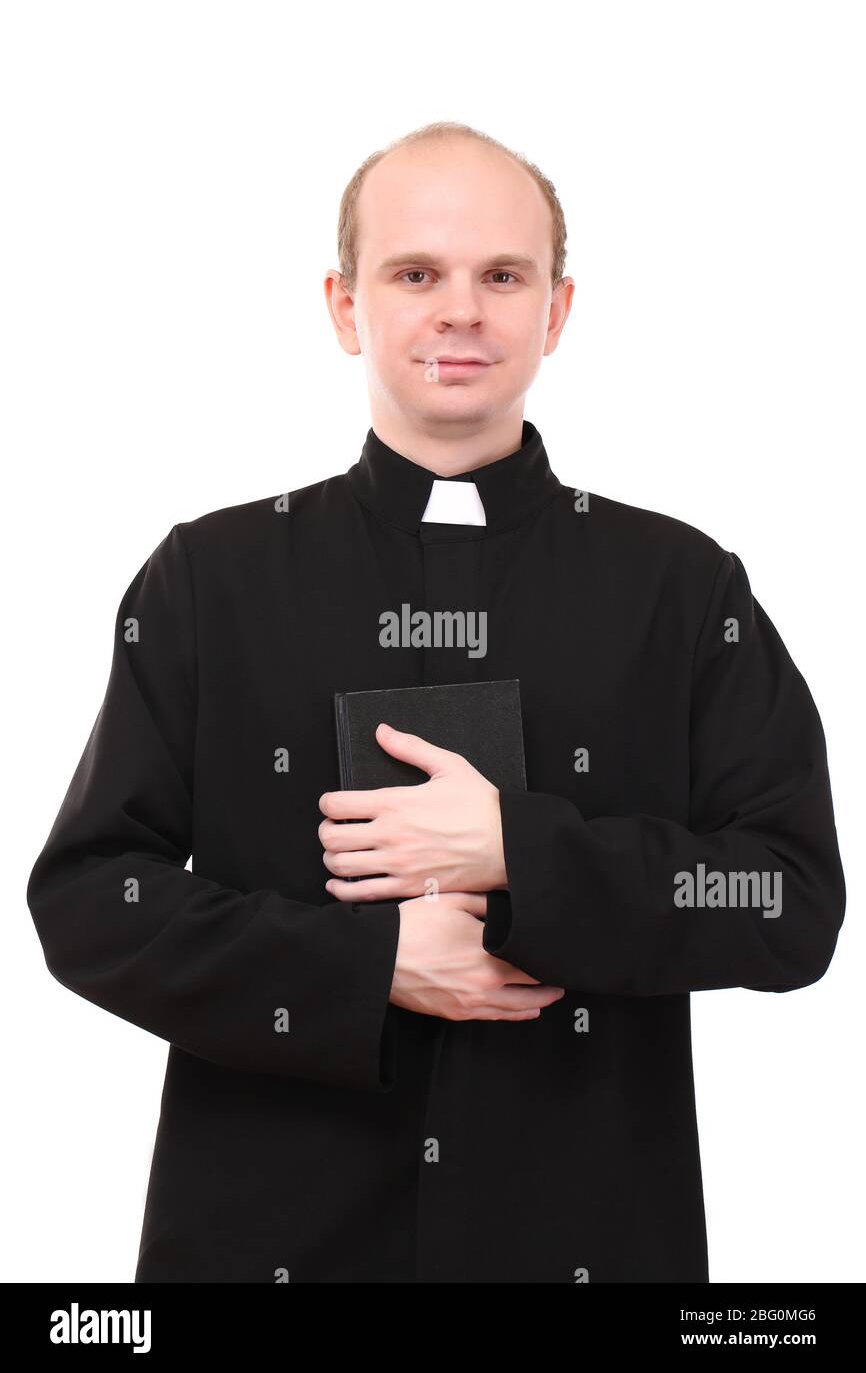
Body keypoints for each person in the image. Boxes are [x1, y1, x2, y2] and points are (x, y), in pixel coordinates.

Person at [27, 121, 845, 1283]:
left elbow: (786, 898)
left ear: (555, 311)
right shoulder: (208, 577)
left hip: (587, 1235)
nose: (460, 309)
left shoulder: (680, 585)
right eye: (415, 272)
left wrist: (521, 848)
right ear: (343, 305)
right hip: (267, 1239)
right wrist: (363, 969)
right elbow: (92, 901)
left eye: (501, 276)